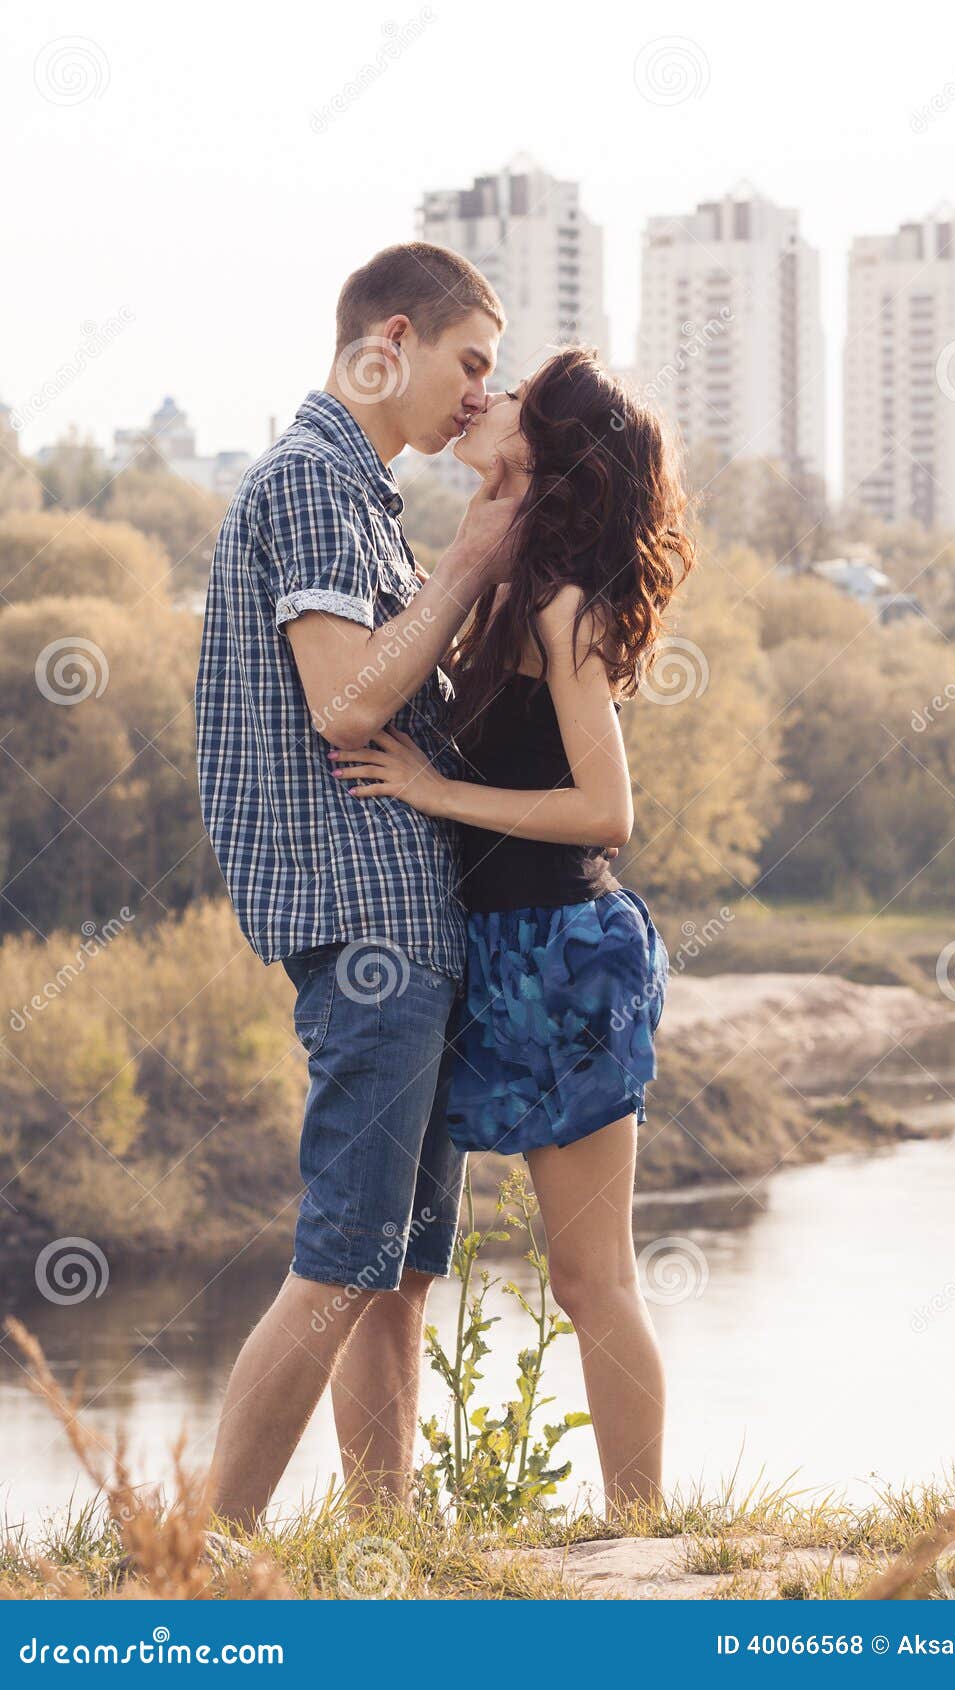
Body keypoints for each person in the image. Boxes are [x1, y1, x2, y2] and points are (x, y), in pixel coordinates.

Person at [329, 347, 695, 1513]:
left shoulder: (560, 604)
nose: (487, 398)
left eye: (519, 397)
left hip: (565, 956)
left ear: (552, 454)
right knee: (406, 1272)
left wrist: (432, 792)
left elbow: (606, 811)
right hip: (489, 953)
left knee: (590, 1280)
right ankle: (388, 1520)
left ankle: (642, 1533)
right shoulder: (496, 578)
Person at [194, 241, 523, 1529]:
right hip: (365, 922)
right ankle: (201, 1561)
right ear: (394, 340)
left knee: (396, 1273)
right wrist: (471, 557)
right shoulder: (313, 481)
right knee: (342, 1259)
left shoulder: (364, 498)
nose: (478, 393)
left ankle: (387, 1546)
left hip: (406, 923)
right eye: (469, 362)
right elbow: (345, 702)